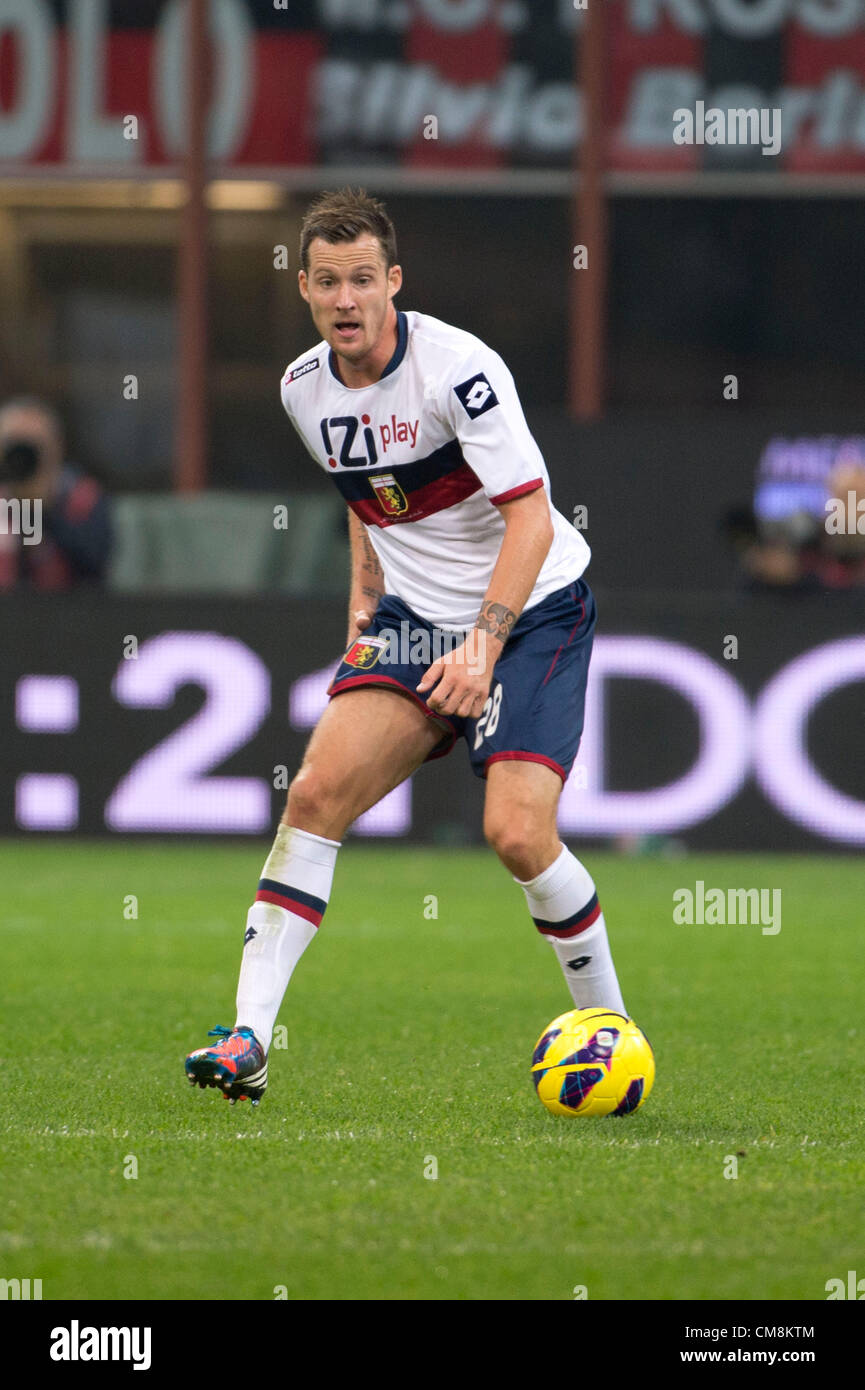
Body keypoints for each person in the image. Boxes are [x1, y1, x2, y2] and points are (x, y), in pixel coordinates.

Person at [185, 188, 626, 1105]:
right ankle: (249, 1040)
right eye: (327, 283)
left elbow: (532, 522)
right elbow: (370, 499)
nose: (346, 301)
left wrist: (481, 646)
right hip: (412, 620)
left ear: (393, 282)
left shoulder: (458, 369)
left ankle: (608, 1027)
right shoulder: (301, 389)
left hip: (531, 609)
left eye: (362, 281)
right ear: (303, 288)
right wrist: (364, 601)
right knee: (313, 793)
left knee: (515, 833)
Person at [0, 396, 111, 591]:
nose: (23, 458)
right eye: (14, 445)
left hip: (66, 616)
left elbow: (94, 568)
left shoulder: (83, 499)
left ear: (57, 448)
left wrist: (43, 508)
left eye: (35, 446)